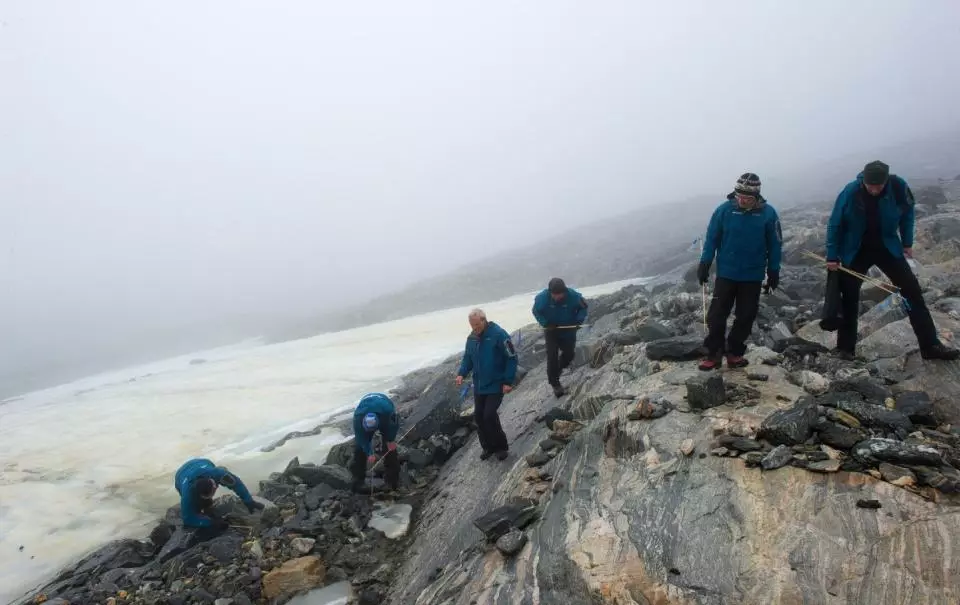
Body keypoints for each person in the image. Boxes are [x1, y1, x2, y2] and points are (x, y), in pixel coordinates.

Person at [826, 160, 958, 361]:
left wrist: (907, 242)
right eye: (870, 185)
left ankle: (931, 346)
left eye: (878, 186)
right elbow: (835, 223)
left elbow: (908, 213)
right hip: (856, 250)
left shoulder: (898, 186)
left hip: (888, 247)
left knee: (912, 292)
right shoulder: (851, 191)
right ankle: (845, 349)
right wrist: (832, 255)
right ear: (864, 180)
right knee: (849, 297)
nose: (874, 190)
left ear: (886, 180)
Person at [697, 172, 782, 370]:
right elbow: (711, 239)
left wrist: (774, 272)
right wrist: (705, 263)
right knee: (716, 315)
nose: (742, 201)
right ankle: (714, 353)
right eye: (739, 197)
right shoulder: (724, 211)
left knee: (746, 315)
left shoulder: (768, 214)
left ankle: (734, 352)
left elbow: (775, 245)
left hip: (752, 274)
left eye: (747, 198)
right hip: (727, 272)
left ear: (757, 196)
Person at [455, 309, 517, 460]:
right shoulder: (471, 338)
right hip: (479, 384)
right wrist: (461, 373)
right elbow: (467, 358)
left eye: (477, 325)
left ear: (484, 320)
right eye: (472, 325)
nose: (474, 329)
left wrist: (508, 381)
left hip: (496, 383)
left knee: (489, 415)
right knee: (479, 417)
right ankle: (488, 447)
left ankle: (501, 447)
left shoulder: (499, 334)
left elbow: (512, 357)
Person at [532, 278, 588, 397]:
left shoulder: (574, 296)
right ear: (550, 292)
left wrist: (579, 321)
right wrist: (545, 323)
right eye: (554, 295)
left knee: (569, 355)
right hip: (551, 330)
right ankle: (555, 384)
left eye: (560, 294)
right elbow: (536, 311)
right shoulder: (541, 298)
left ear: (565, 291)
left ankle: (556, 371)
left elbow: (583, 308)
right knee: (551, 355)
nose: (557, 297)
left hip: (569, 329)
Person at [174, 458, 263, 532]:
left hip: (201, 462)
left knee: (209, 502)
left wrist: (249, 501)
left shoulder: (218, 474)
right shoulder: (187, 494)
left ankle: (207, 506)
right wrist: (211, 522)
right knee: (198, 507)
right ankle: (204, 506)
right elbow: (188, 519)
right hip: (180, 476)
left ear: (214, 486)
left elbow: (237, 484)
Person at [351, 392, 401, 492]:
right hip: (366, 403)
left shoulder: (388, 414)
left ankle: (392, 481)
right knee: (359, 449)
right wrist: (369, 453)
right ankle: (358, 482)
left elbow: (394, 427)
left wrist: (390, 440)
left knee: (390, 447)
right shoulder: (358, 418)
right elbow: (362, 439)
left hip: (384, 404)